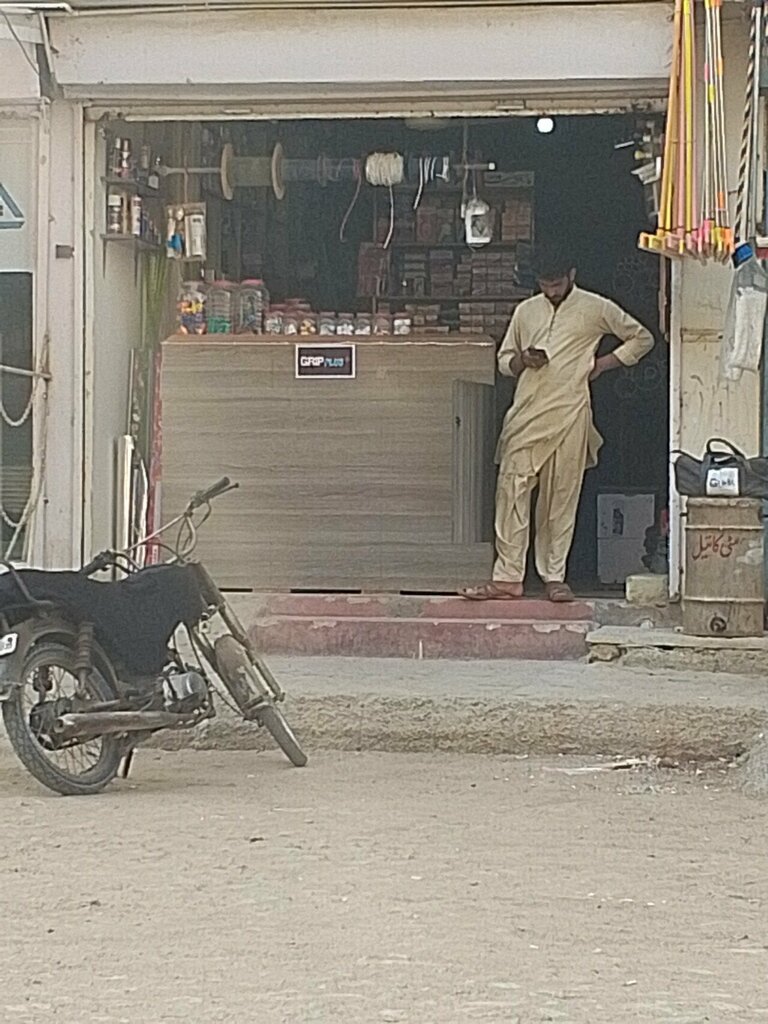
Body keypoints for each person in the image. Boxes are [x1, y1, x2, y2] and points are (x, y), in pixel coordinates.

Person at [460, 247, 654, 604]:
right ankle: (508, 577)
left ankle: (554, 576)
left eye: (557, 284)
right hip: (526, 415)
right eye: (545, 285)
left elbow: (642, 338)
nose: (551, 291)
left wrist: (600, 365)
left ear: (572, 275)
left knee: (560, 498)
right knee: (511, 492)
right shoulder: (526, 311)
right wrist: (523, 360)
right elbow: (503, 361)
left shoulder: (595, 307)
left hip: (570, 414)